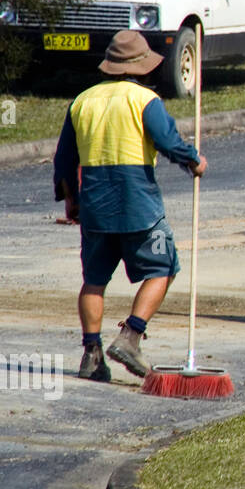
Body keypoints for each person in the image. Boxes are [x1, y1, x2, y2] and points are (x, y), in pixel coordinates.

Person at [53, 30, 207, 381]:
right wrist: (194, 160)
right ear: (142, 66)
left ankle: (91, 355)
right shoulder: (145, 100)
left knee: (93, 280)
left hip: (95, 207)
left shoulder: (81, 102)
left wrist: (72, 202)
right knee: (164, 267)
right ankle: (131, 336)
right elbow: (168, 142)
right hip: (139, 207)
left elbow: (64, 159)